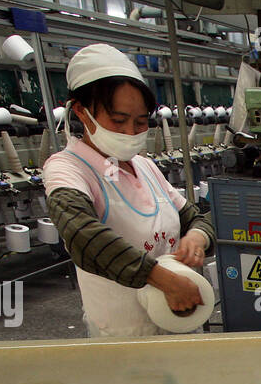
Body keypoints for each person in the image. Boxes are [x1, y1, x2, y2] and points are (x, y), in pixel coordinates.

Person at [42, 44, 214, 337]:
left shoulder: (145, 166)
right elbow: (83, 236)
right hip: (126, 336)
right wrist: (164, 280)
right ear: (83, 112)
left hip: (180, 322)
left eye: (141, 122)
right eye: (119, 121)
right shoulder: (67, 169)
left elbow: (196, 217)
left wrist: (198, 236)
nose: (131, 133)